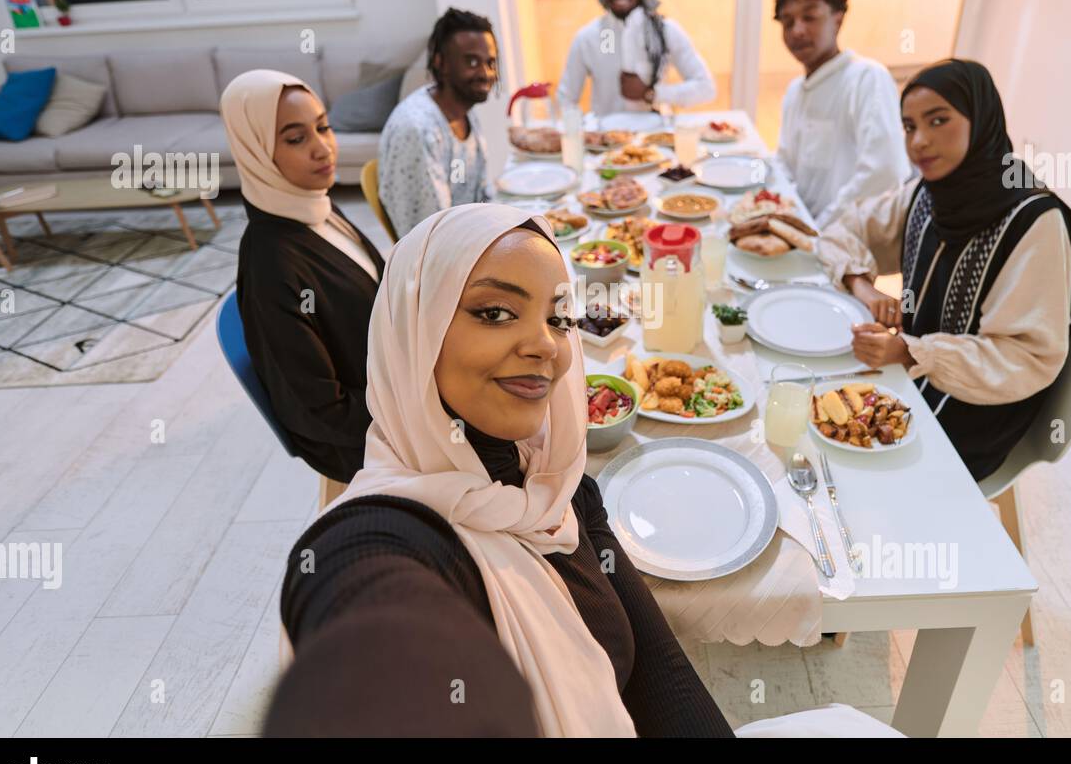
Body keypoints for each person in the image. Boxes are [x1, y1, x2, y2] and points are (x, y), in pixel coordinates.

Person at [270, 204, 734, 737]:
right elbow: (367, 618)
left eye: (559, 319)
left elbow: (663, 672)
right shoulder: (379, 540)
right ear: (415, 329)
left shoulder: (560, 492)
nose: (545, 346)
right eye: (494, 312)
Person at [798, 59, 1071, 481]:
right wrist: (865, 288)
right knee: (805, 403)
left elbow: (1027, 358)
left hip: (975, 412)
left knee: (837, 463)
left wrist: (914, 351)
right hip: (909, 375)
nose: (920, 141)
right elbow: (845, 228)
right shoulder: (929, 192)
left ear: (980, 119)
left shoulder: (1033, 221)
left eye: (938, 120)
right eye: (910, 127)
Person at [222, 70, 384, 483]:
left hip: (394, 388)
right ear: (256, 150)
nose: (323, 148)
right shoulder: (271, 265)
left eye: (323, 127)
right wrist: (422, 413)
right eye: (296, 139)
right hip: (360, 439)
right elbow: (318, 412)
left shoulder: (315, 206)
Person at [774, 0, 909, 225]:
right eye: (787, 22)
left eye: (809, 17)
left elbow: (884, 172)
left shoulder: (866, 78)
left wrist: (818, 228)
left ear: (838, 19)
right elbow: (783, 162)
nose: (798, 30)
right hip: (801, 227)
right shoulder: (795, 91)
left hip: (845, 240)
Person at [378, 7, 495, 237]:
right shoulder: (417, 130)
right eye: (472, 62)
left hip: (472, 238)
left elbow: (480, 196)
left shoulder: (464, 109)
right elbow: (431, 237)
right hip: (440, 260)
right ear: (441, 63)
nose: (485, 73)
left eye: (490, 63)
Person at [557, 0, 716, 118]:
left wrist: (652, 93)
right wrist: (582, 130)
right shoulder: (592, 36)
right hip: (606, 138)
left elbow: (706, 88)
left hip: (655, 136)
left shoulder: (664, 31)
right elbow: (565, 98)